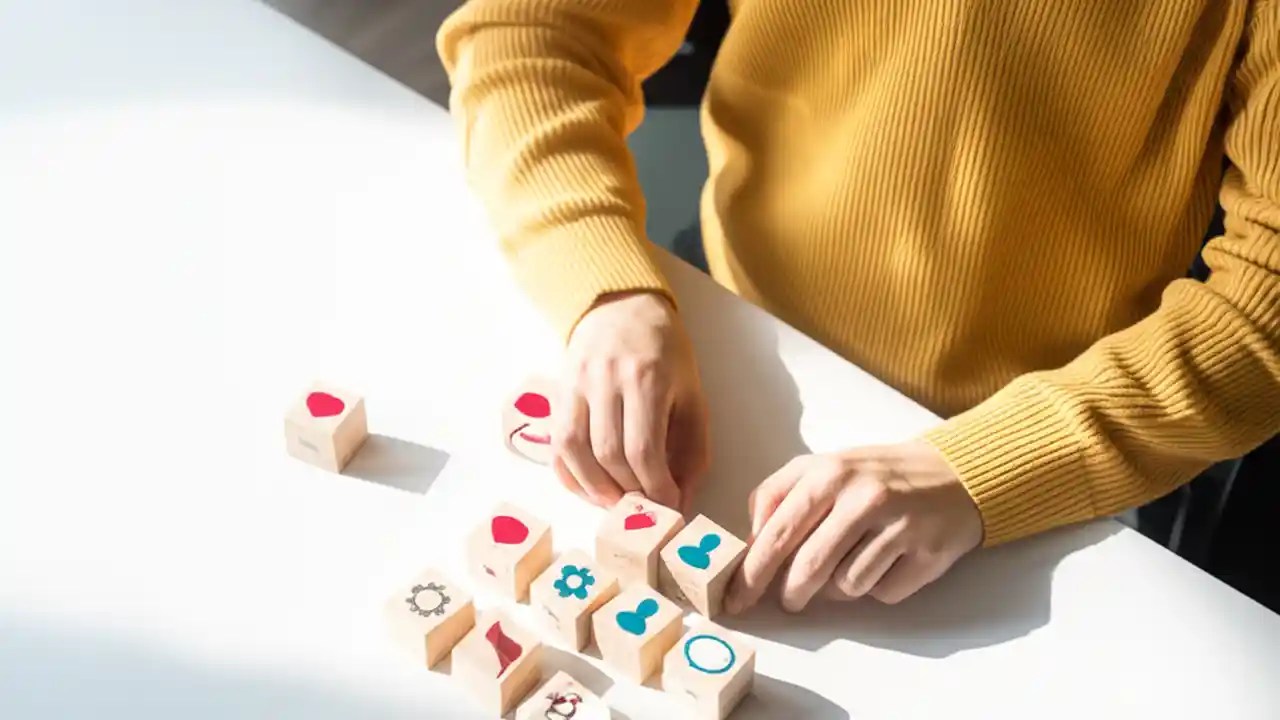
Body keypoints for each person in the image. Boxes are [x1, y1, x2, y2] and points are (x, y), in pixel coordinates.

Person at [437, 1, 1279, 614]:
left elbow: (1265, 300)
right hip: (723, 313)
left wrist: (982, 470)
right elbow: (529, 32)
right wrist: (606, 291)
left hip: (1054, 434)